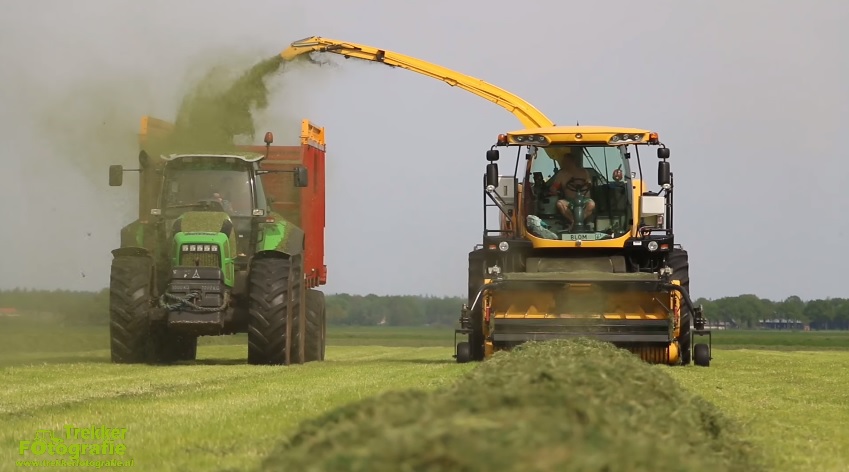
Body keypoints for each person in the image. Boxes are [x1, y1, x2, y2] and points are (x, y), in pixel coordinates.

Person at [548, 147, 595, 230]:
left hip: (584, 200)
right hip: (570, 201)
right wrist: (554, 191)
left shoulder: (584, 172)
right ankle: (574, 221)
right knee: (560, 204)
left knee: (591, 204)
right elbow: (554, 188)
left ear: (572, 162)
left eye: (566, 162)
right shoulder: (561, 175)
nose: (564, 163)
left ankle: (579, 222)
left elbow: (589, 184)